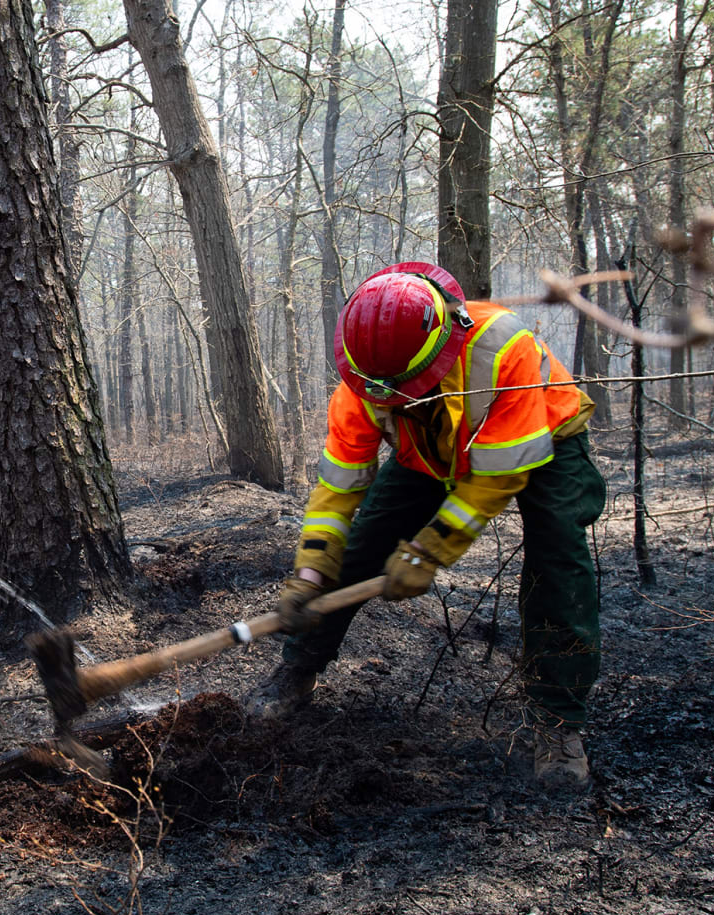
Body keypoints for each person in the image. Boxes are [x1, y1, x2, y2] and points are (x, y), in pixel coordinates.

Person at [252, 262, 604, 791]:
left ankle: (557, 723)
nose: (393, 401)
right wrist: (310, 569)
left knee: (558, 560)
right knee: (362, 543)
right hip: (431, 453)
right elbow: (339, 489)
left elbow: (495, 478)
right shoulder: (363, 377)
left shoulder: (504, 351)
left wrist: (428, 551)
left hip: (543, 439)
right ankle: (298, 668)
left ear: (440, 351)